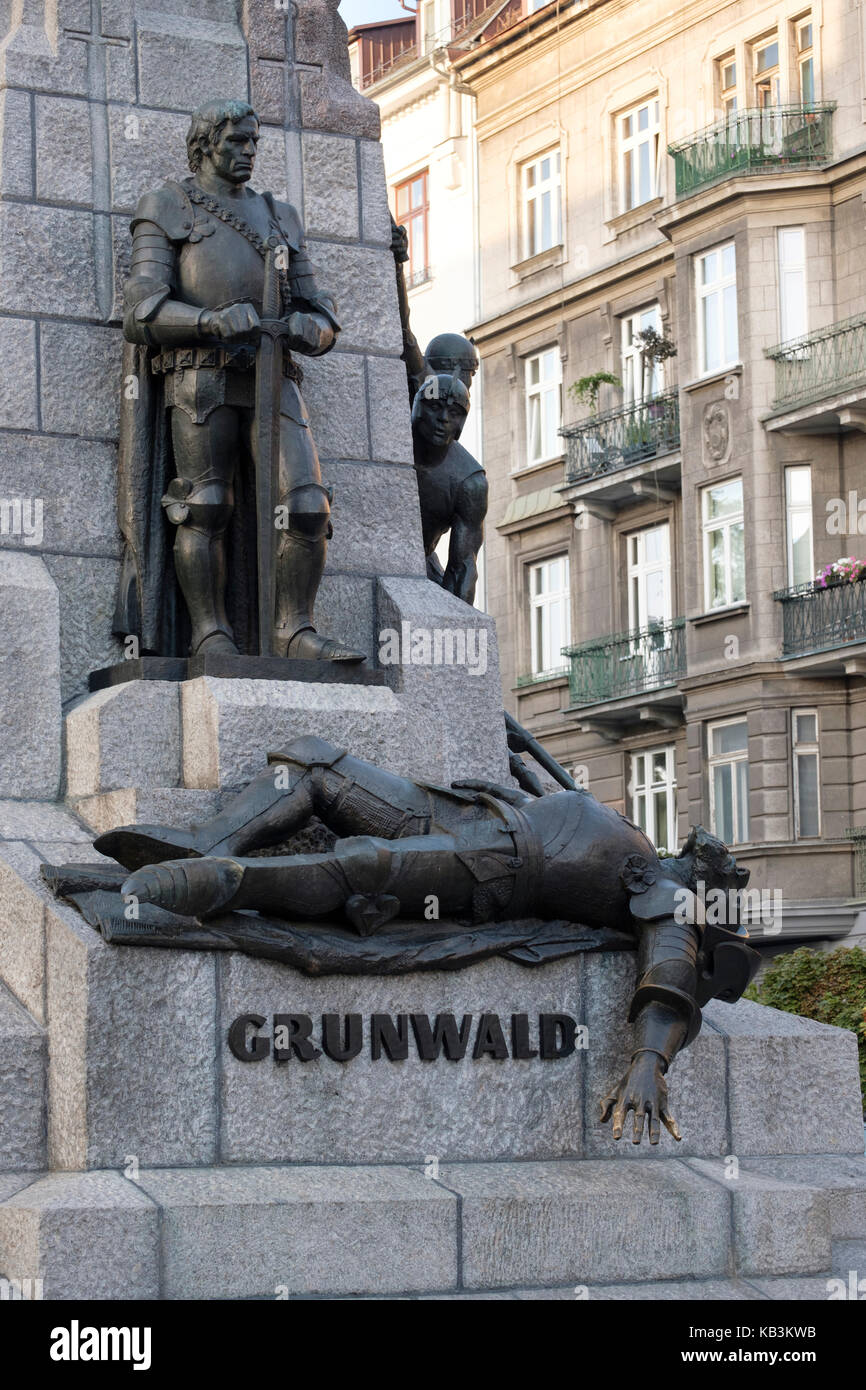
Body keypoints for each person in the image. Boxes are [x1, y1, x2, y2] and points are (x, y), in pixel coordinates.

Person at [97, 734, 759, 1146]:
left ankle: (220, 883)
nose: (709, 845)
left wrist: (650, 1061)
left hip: (499, 863)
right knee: (314, 762)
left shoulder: (666, 894)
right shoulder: (637, 839)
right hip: (460, 810)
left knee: (366, 865)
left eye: (717, 861)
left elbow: (669, 975)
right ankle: (208, 841)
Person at [114, 97, 363, 662]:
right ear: (205, 144)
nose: (249, 151)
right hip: (198, 376)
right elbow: (139, 310)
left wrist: (310, 327)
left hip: (275, 376)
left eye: (254, 141)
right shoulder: (167, 206)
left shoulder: (279, 215)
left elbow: (323, 312)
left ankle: (294, 631)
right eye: (236, 141)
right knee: (203, 505)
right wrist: (208, 319)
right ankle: (210, 633)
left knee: (306, 505)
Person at [411, 373, 487, 605]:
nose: (443, 418)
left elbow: (462, 569)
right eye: (435, 407)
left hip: (418, 562)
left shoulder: (470, 482)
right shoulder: (386, 439)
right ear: (418, 409)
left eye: (454, 413)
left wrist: (455, 626)